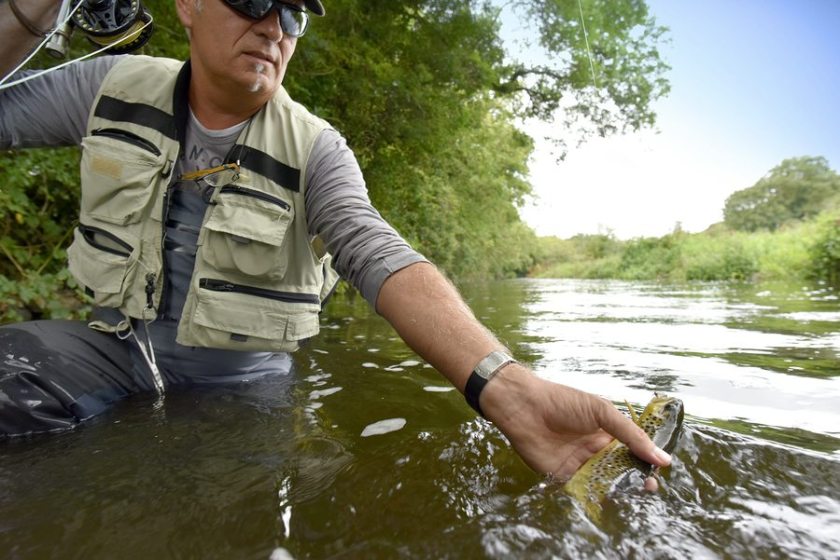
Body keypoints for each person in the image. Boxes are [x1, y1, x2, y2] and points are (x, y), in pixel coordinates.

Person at [0, 0, 671, 482]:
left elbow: (374, 249)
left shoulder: (319, 149)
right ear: (189, 5)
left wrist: (508, 385)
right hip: (113, 352)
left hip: (244, 389)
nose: (272, 26)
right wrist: (35, 10)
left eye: (292, 13)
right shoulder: (103, 86)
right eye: (253, 0)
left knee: (227, 512)